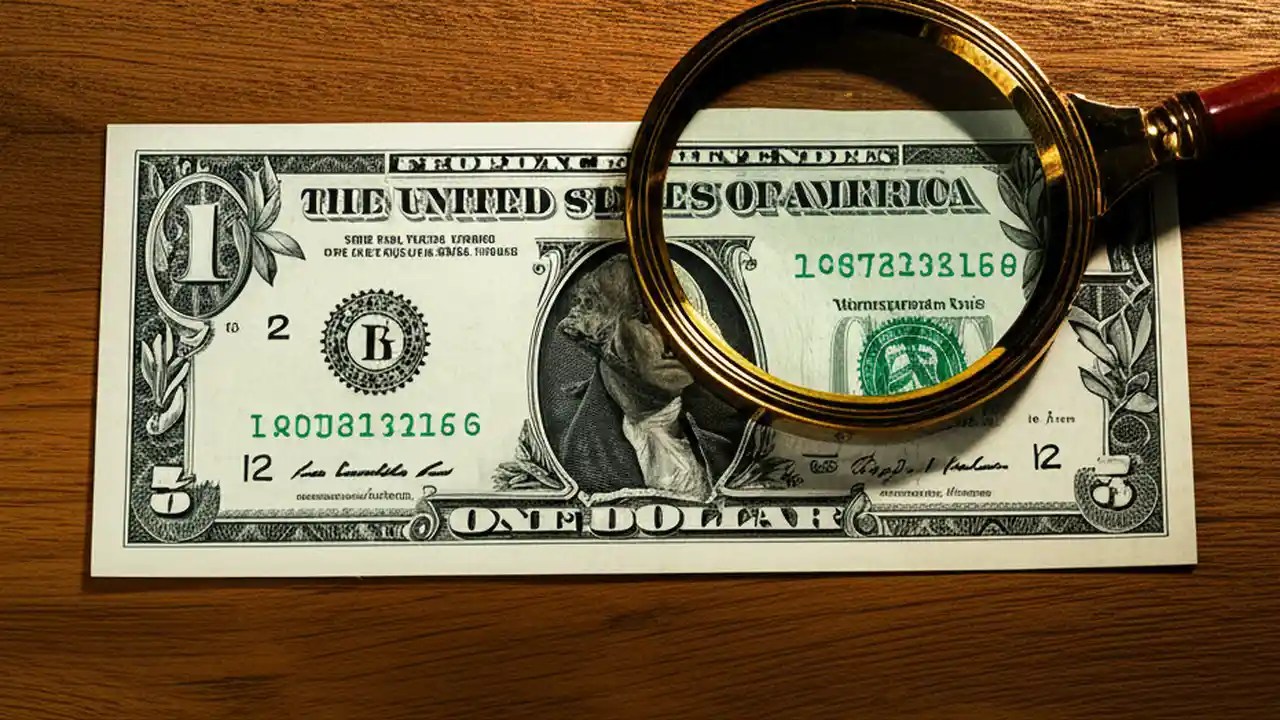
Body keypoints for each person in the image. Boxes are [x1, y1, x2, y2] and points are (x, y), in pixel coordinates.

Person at [554, 254, 743, 498]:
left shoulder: (724, 456)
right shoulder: (564, 456)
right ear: (600, 328)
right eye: (649, 320)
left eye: (690, 323)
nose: (677, 344)